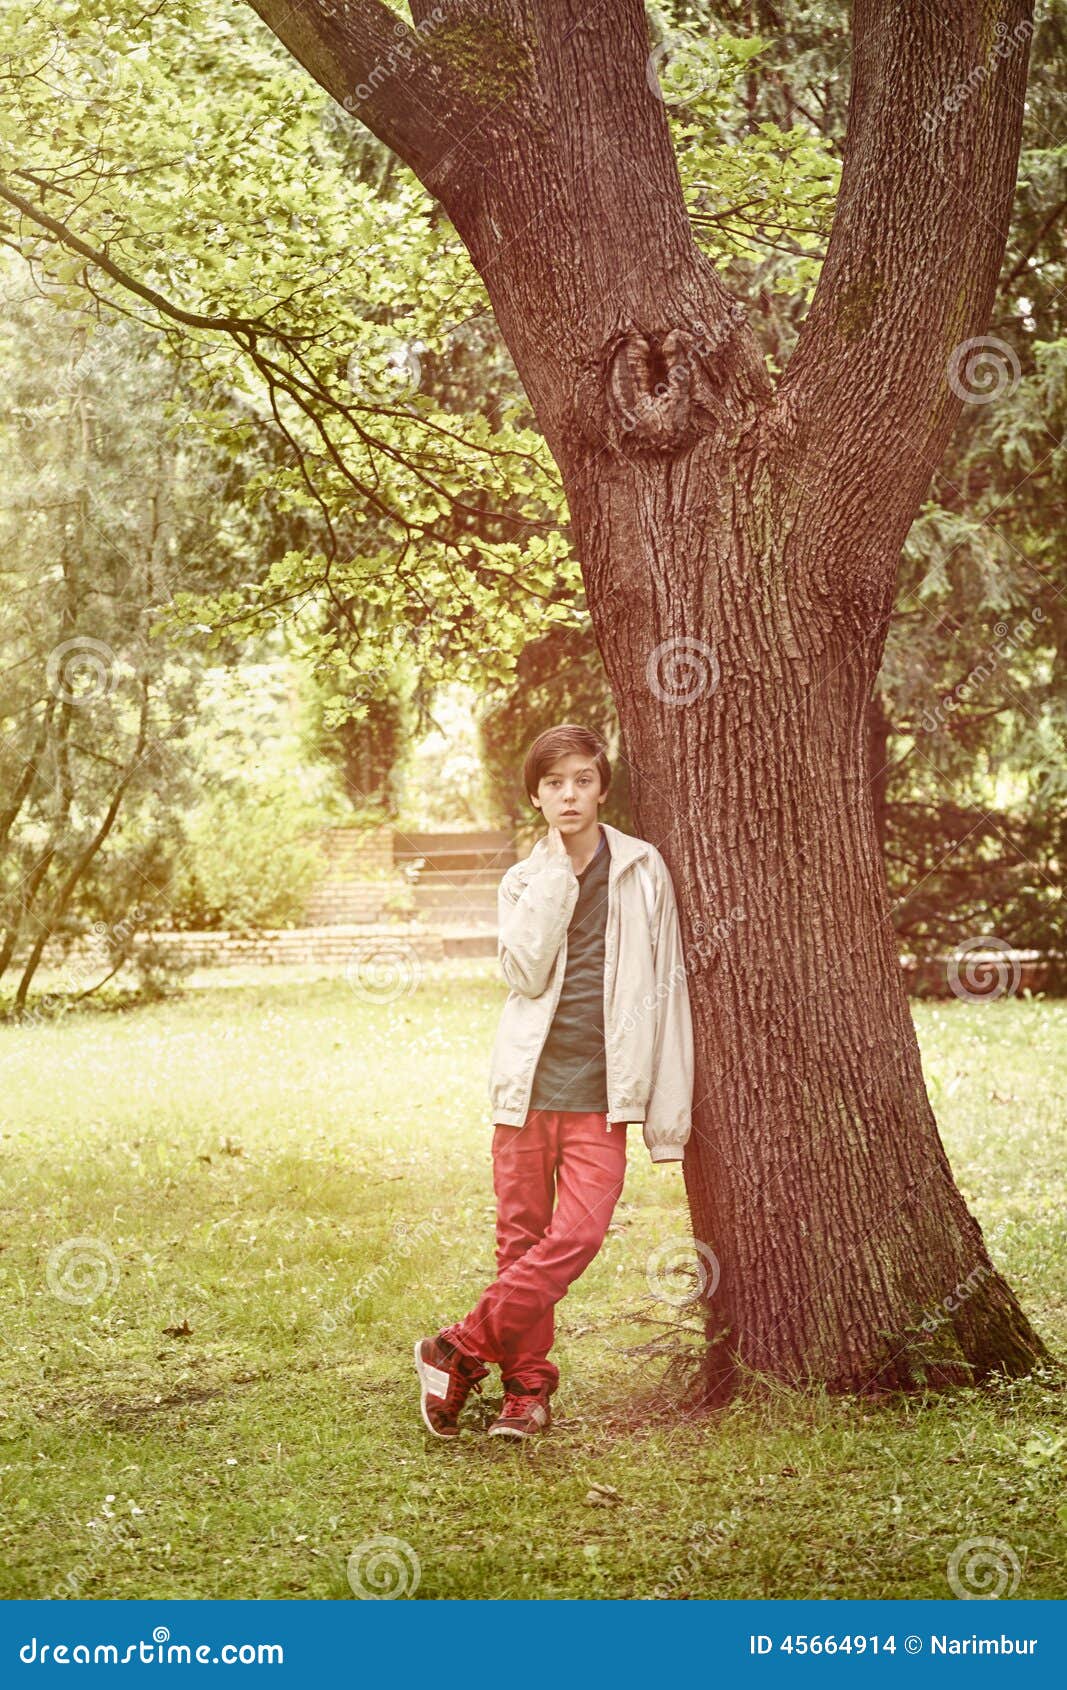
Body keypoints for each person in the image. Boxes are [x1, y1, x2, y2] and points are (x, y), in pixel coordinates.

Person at [414, 722, 694, 1440]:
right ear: (535, 796)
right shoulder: (522, 878)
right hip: (525, 1094)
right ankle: (526, 1394)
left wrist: (665, 1110)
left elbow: (669, 983)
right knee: (521, 1245)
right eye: (552, 783)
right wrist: (554, 879)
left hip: (603, 1096)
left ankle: (456, 1349)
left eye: (581, 780)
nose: (568, 795)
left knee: (576, 1237)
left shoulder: (641, 868)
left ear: (602, 786)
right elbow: (522, 971)